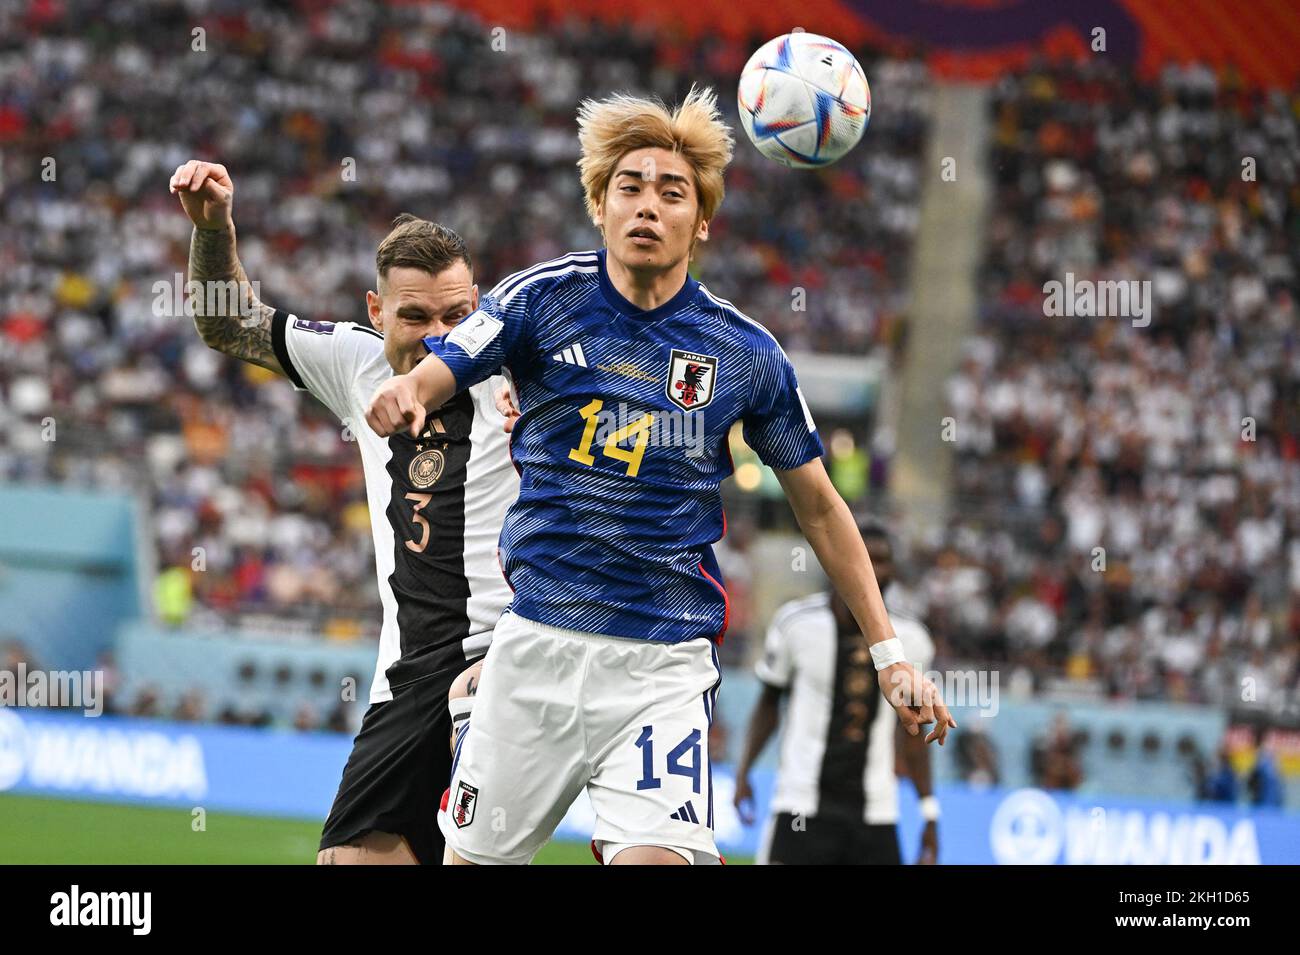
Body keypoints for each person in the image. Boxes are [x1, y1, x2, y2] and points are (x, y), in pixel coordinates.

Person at [366, 86, 955, 866]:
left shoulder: (745, 354)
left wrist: (889, 656)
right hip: (536, 647)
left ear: (701, 222)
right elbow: (451, 361)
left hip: (661, 665)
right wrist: (410, 390)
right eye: (629, 187)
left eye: (671, 192)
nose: (648, 205)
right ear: (600, 207)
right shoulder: (537, 301)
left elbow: (820, 506)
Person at [169, 160, 517, 864]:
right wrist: (215, 230)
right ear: (375, 309)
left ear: (478, 305)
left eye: (457, 315)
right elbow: (228, 325)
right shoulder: (354, 365)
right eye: (415, 315)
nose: (440, 334)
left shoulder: (525, 370)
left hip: (506, 662)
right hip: (409, 675)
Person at [735, 518, 940, 864]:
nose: (873, 569)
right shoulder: (796, 623)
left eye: (883, 560)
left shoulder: (913, 639)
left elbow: (913, 733)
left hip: (875, 813)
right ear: (841, 558)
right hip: (801, 806)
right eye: (865, 557)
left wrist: (929, 811)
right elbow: (769, 704)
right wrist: (743, 773)